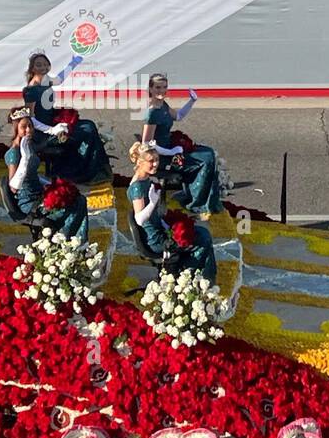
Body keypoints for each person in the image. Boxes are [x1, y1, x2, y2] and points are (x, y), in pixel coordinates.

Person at [127, 141, 216, 282]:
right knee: (203, 238)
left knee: (201, 233)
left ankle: (192, 276)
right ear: (139, 162)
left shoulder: (145, 179)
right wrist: (153, 203)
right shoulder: (137, 187)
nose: (155, 164)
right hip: (155, 239)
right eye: (151, 161)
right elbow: (139, 219)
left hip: (160, 228)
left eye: (156, 160)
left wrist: (168, 225)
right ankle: (188, 278)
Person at [140, 73, 221, 216]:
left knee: (208, 152)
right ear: (150, 89)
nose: (162, 91)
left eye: (164, 87)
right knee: (205, 161)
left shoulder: (163, 105)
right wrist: (170, 152)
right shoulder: (152, 113)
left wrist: (192, 101)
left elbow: (178, 116)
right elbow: (146, 143)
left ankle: (199, 196)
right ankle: (196, 202)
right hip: (162, 157)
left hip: (172, 147)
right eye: (158, 87)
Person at [22, 53, 110, 183]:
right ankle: (82, 172)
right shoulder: (31, 90)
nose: (43, 67)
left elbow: (59, 79)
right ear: (32, 68)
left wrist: (74, 62)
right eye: (38, 65)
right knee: (87, 130)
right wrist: (51, 130)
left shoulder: (46, 81)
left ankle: (96, 168)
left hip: (53, 122)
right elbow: (30, 118)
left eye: (45, 64)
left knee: (89, 125)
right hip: (43, 133)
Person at [5, 108, 89, 241]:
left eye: (30, 126)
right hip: (30, 202)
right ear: (16, 129)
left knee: (79, 199)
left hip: (40, 193)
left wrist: (57, 134)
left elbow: (42, 146)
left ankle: (74, 242)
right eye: (24, 127)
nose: (28, 130)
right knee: (75, 206)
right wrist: (24, 161)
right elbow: (13, 187)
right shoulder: (14, 153)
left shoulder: (27, 144)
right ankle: (65, 242)